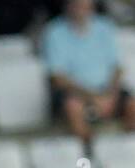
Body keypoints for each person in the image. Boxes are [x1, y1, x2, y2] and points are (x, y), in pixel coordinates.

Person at [44, 0, 135, 144]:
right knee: (73, 107)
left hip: (107, 90)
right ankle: (88, 153)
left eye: (86, 6)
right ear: (67, 6)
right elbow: (57, 77)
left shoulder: (104, 26)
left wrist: (110, 94)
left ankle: (127, 149)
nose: (82, 10)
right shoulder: (54, 31)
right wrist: (93, 97)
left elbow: (117, 67)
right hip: (75, 93)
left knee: (132, 104)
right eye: (77, 5)